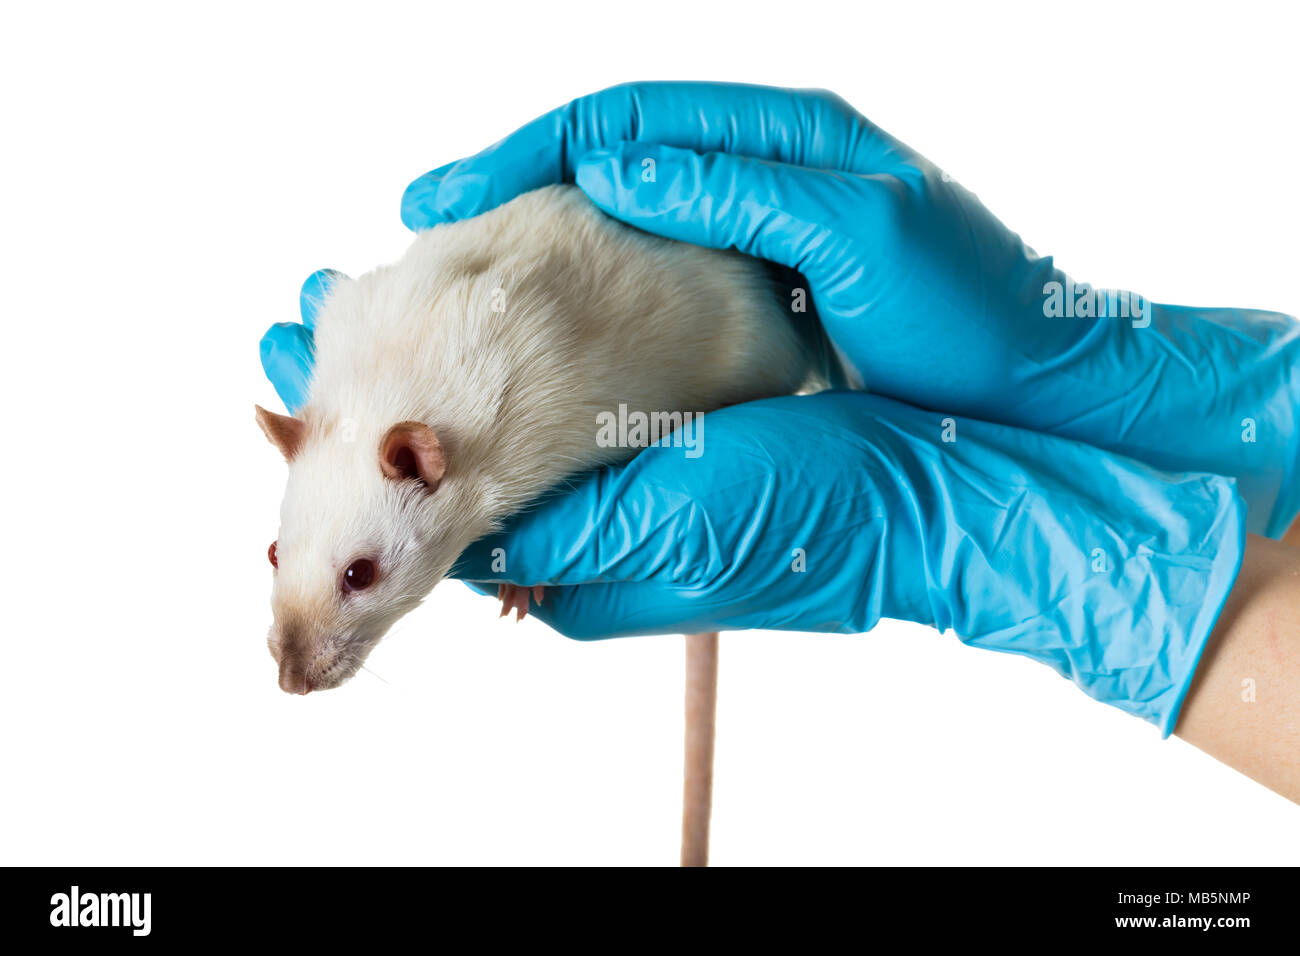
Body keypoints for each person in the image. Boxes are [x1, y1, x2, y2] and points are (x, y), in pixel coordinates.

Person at [261, 83, 1300, 802]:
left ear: (419, 457)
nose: (298, 667)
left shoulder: (486, 405)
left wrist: (918, 519)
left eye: (355, 574)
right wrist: (1115, 376)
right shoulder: (367, 378)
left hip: (725, 350)